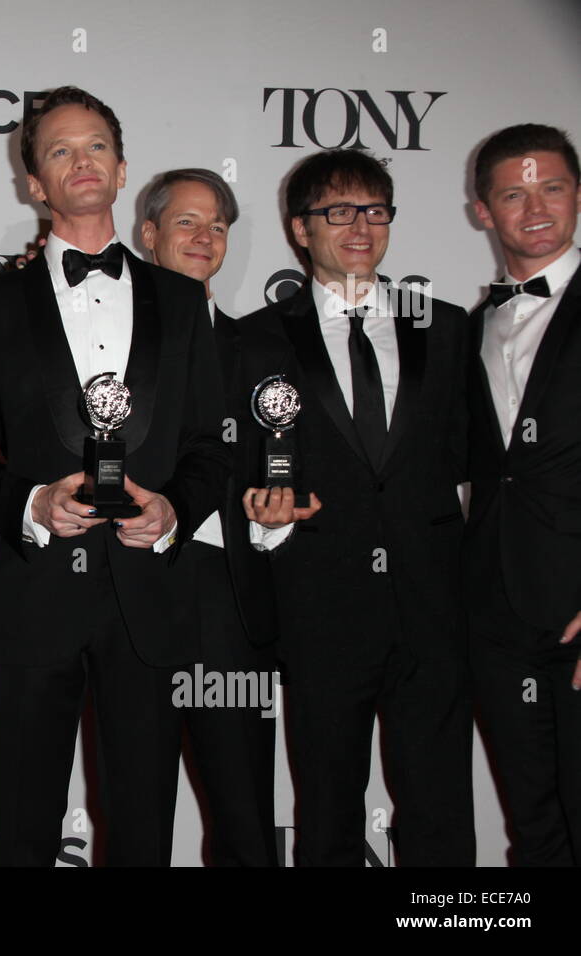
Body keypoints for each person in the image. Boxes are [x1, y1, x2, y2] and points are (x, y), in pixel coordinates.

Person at [0, 87, 229, 866]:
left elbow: (212, 444)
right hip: (34, 597)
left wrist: (174, 512)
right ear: (35, 183)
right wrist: (29, 505)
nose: (81, 160)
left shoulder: (181, 299)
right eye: (58, 150)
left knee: (142, 828)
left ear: (123, 166)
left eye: (95, 144)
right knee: (24, 829)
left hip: (152, 602)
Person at [237, 148, 474, 866]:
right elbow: (239, 472)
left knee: (438, 808)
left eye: (374, 210)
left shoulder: (451, 328)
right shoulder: (254, 339)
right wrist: (264, 523)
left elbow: (476, 469)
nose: (360, 226)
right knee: (329, 812)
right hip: (320, 608)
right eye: (338, 211)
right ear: (300, 228)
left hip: (432, 605)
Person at [139, 168, 278, 865]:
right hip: (129, 598)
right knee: (134, 811)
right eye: (186, 222)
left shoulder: (260, 347)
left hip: (228, 598)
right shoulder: (104, 339)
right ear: (148, 236)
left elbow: (285, 469)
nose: (204, 237)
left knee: (245, 812)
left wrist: (276, 517)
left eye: (217, 225)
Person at [467, 123, 581, 865]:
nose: (535, 209)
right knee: (535, 831)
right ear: (482, 211)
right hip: (498, 620)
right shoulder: (468, 327)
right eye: (514, 193)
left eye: (553, 188)